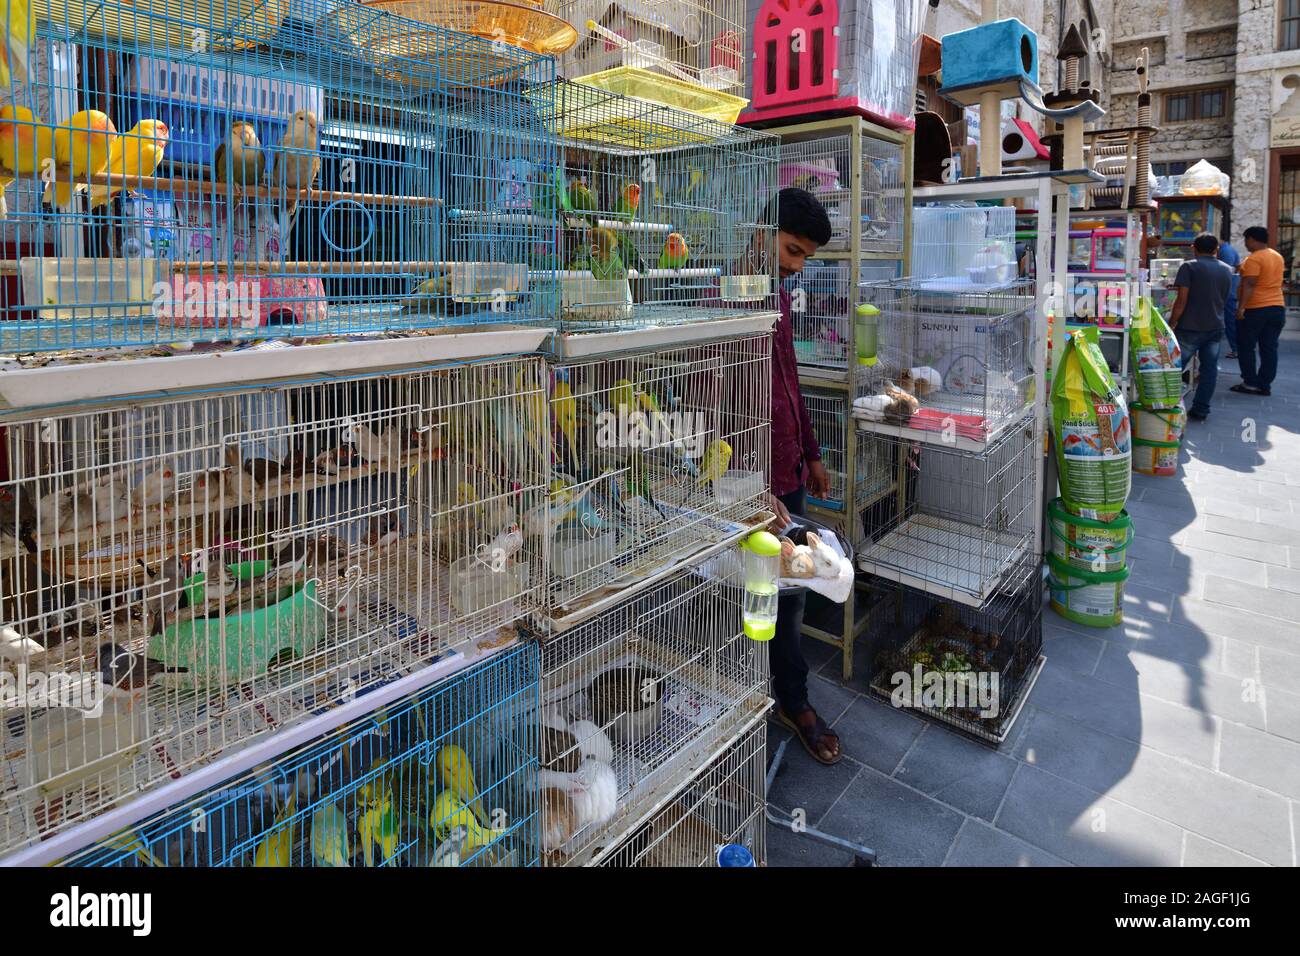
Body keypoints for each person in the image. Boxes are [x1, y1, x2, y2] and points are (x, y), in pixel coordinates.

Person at [763, 187, 839, 765]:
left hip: (785, 468)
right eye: (792, 250)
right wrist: (747, 486)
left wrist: (810, 452)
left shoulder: (780, 296)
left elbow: (788, 374)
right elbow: (704, 398)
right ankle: (742, 707)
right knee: (743, 600)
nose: (796, 266)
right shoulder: (718, 294)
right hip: (738, 479)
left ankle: (792, 699)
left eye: (806, 258)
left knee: (791, 593)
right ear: (762, 232)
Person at [1167, 233, 1231, 421]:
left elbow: (1181, 300)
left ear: (1194, 247)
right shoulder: (1227, 269)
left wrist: (1172, 322)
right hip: (1215, 327)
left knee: (1174, 368)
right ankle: (1201, 409)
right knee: (1209, 370)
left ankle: (1168, 405)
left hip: (1189, 327)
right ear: (1216, 250)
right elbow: (1223, 299)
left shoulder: (1189, 267)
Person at [1232, 226, 1287, 396]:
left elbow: (1249, 284)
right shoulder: (1276, 256)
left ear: (1253, 240)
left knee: (1246, 346)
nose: (1246, 244)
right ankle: (1264, 384)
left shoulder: (1254, 258)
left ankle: (1250, 382)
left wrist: (1241, 308)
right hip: (1277, 307)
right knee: (1269, 347)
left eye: (1246, 240)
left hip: (1256, 308)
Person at [1217, 238, 1241, 357]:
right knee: (1231, 321)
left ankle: (1236, 349)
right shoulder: (1228, 250)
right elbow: (1236, 267)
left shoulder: (1225, 251)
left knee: (1230, 322)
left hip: (1229, 293)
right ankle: (1236, 348)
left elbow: (1226, 271)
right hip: (1231, 291)